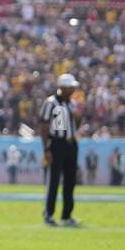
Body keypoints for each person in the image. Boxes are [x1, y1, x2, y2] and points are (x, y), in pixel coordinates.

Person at [40, 73, 81, 226]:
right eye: (70, 88)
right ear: (62, 88)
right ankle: (49, 214)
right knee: (54, 181)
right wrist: (46, 149)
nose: (73, 91)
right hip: (57, 144)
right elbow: (44, 127)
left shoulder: (71, 103)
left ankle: (66, 215)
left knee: (70, 181)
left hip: (71, 144)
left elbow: (75, 125)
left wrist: (76, 116)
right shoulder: (52, 103)